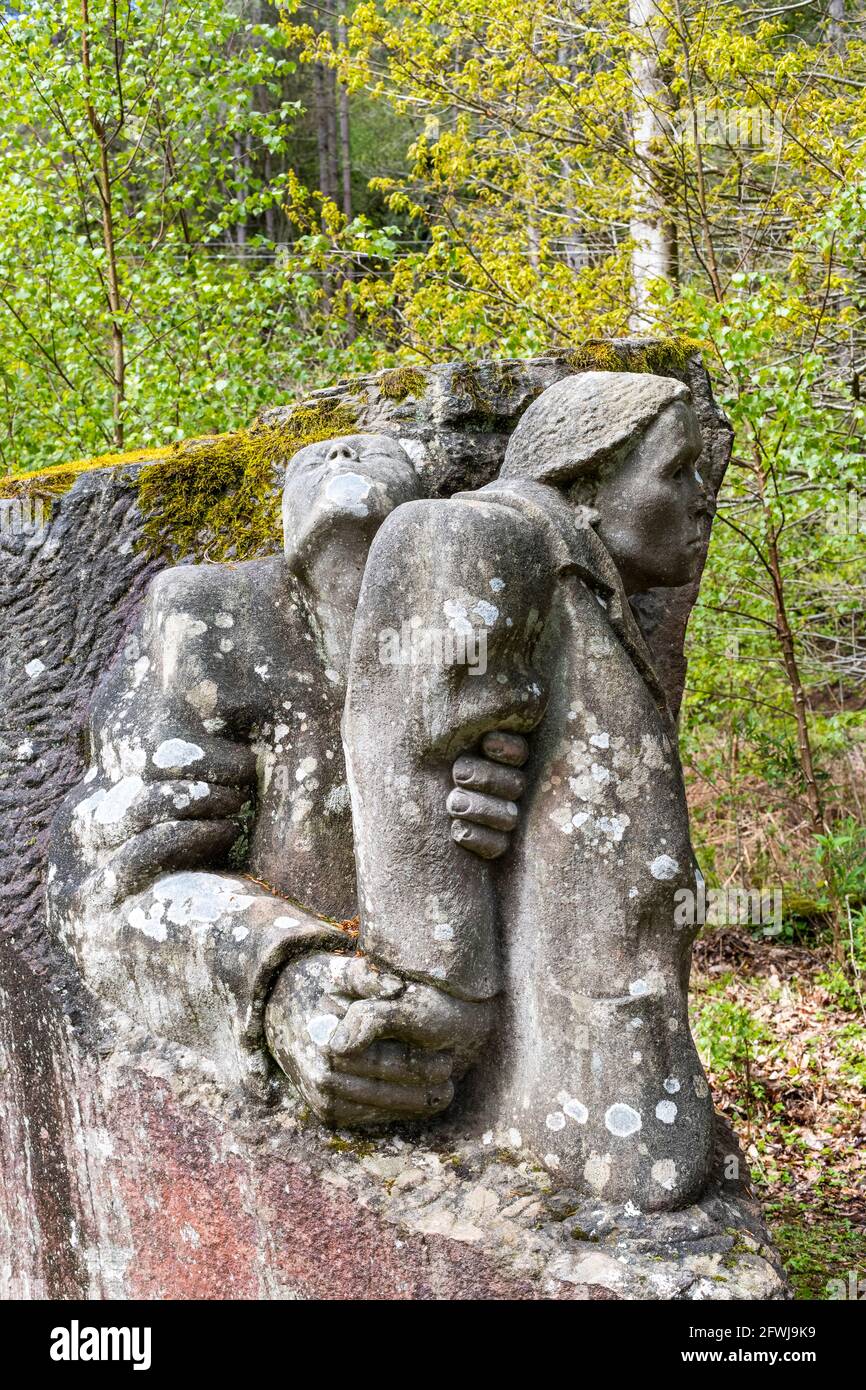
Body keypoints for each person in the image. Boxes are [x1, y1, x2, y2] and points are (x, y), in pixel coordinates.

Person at [48, 434, 519, 1112]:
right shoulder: (210, 617)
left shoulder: (489, 618)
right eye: (311, 461)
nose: (339, 462)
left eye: (372, 452)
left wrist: (521, 827)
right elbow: (108, 879)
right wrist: (278, 984)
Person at [338, 372, 716, 1207]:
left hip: (616, 1064)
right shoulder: (482, 534)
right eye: (677, 470)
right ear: (585, 479)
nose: (700, 499)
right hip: (558, 1082)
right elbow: (404, 751)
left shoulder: (583, 584)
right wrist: (437, 1000)